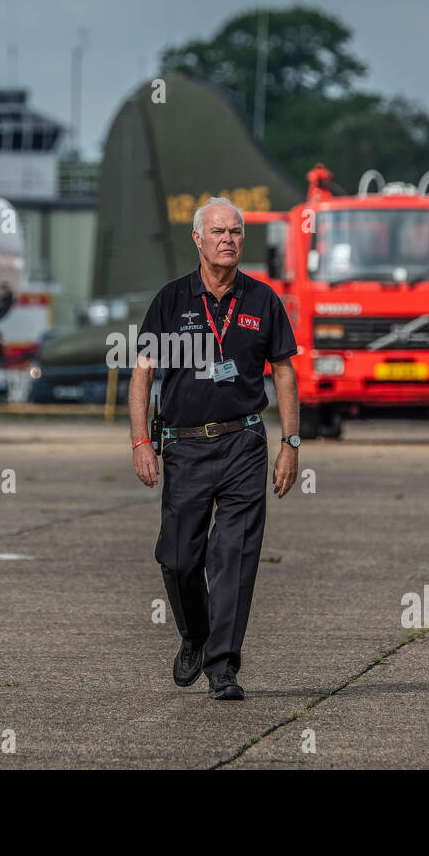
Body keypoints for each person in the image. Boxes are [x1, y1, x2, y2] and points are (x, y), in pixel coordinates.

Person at [129, 196, 300, 701]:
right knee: (179, 559)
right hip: (183, 447)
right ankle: (196, 636)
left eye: (237, 232)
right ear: (198, 239)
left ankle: (222, 668)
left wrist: (291, 442)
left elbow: (285, 372)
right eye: (219, 231)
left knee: (234, 557)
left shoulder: (263, 300)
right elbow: (142, 374)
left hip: (244, 442)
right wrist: (141, 441)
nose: (229, 239)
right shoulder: (171, 300)